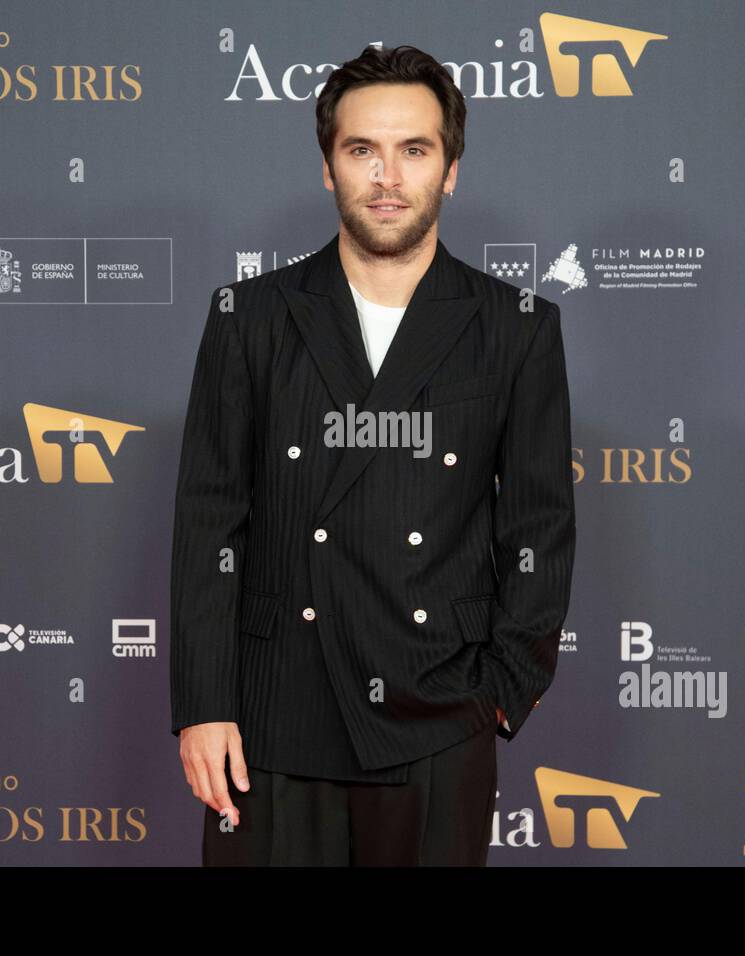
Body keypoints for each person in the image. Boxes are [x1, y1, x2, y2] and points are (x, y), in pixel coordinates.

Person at [169, 44, 575, 865]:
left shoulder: (517, 325)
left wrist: (502, 691)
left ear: (450, 168)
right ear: (328, 166)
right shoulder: (250, 316)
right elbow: (210, 522)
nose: (387, 176)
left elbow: (537, 526)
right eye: (362, 150)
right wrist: (204, 705)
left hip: (437, 715)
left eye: (414, 150)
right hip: (273, 715)